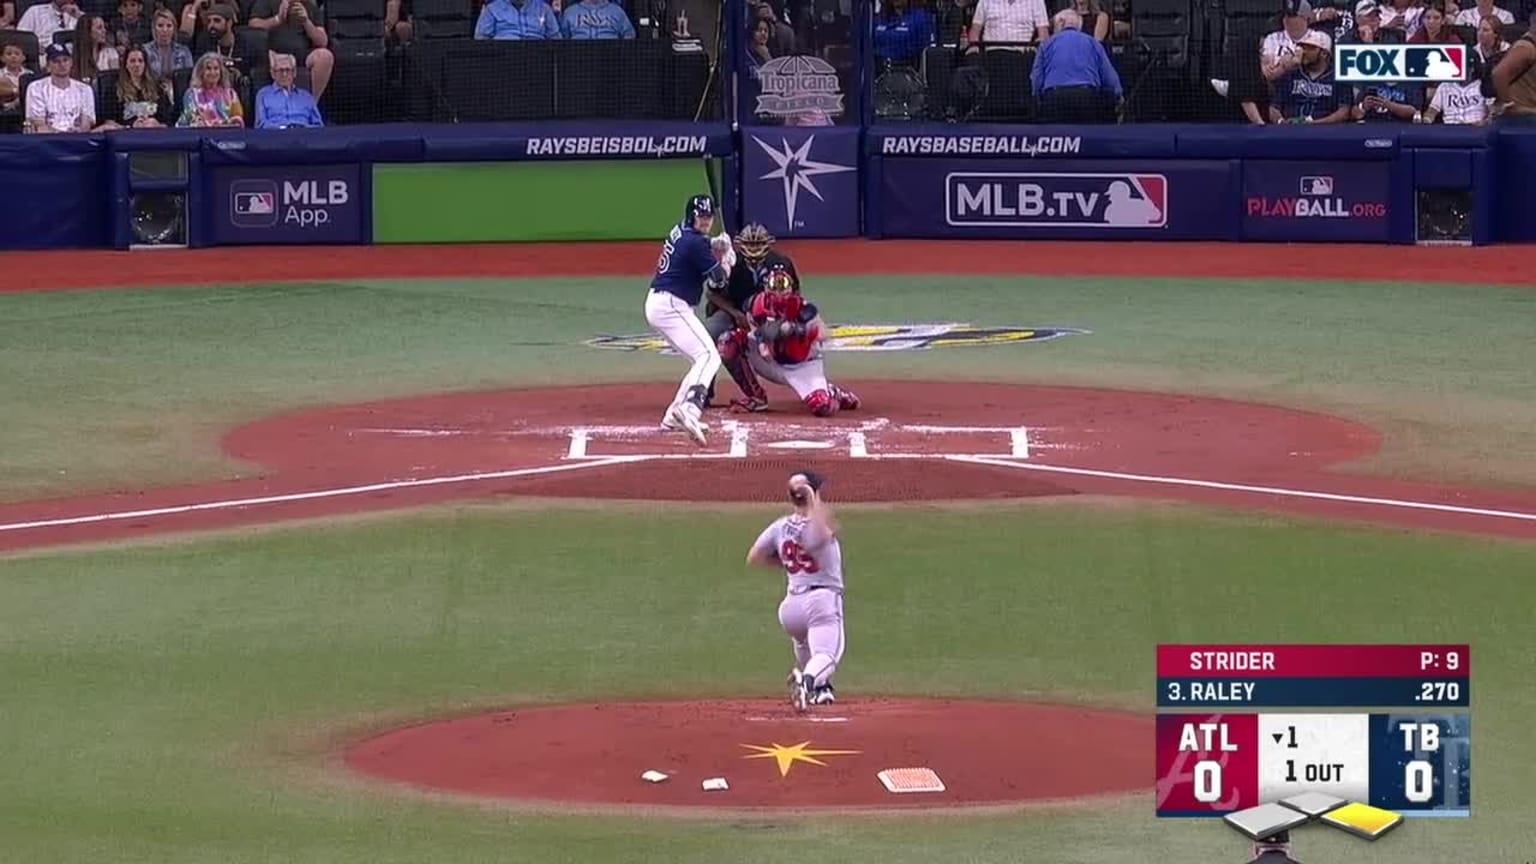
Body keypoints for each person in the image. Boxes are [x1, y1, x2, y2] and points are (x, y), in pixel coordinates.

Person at [746, 470, 845, 712]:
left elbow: (754, 556)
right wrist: (813, 501)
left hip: (792, 606)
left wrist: (786, 562)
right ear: (814, 493)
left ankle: (821, 689)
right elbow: (822, 533)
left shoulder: (780, 526)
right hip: (821, 601)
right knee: (827, 655)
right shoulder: (818, 525)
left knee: (804, 644)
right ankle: (809, 683)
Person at [644, 194, 733, 445]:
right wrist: (726, 260)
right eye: (700, 218)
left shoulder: (681, 231)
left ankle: (674, 415)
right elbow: (718, 281)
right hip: (670, 306)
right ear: (691, 217)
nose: (704, 222)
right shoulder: (695, 244)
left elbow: (698, 244)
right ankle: (691, 410)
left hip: (664, 303)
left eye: (708, 218)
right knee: (709, 356)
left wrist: (715, 244)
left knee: (701, 359)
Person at [744, 263, 861, 417]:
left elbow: (824, 333)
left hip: (802, 364)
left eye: (783, 284)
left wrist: (799, 330)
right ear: (766, 286)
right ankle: (756, 397)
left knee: (822, 407)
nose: (778, 290)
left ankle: (832, 392)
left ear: (791, 288)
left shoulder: (803, 309)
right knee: (729, 342)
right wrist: (762, 339)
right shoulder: (755, 305)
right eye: (774, 284)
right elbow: (753, 327)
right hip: (772, 361)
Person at [702, 222, 796, 412]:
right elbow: (711, 293)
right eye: (750, 244)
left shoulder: (781, 264)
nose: (753, 248)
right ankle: (705, 391)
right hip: (732, 311)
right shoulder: (730, 262)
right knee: (711, 334)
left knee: (795, 336)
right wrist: (736, 314)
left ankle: (813, 385)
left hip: (768, 316)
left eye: (758, 244)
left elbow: (794, 296)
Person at [1031, 8, 1121, 122]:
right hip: (1087, 97)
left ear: (1061, 23)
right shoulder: (1092, 42)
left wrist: (1037, 97)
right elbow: (1109, 76)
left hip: (1054, 98)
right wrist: (1118, 96)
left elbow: (1037, 75)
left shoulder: (1047, 44)